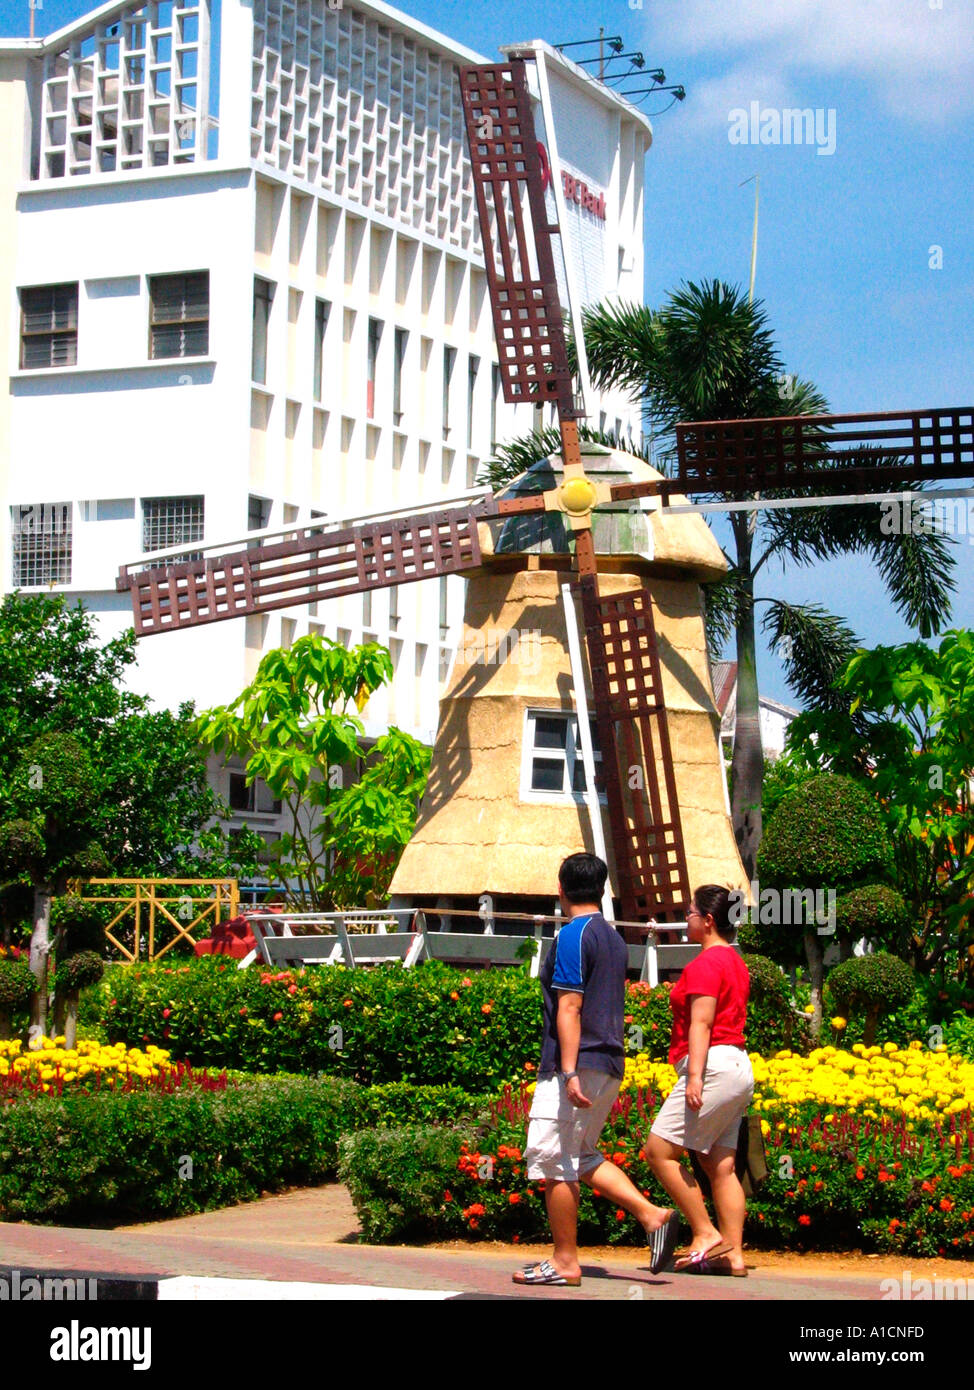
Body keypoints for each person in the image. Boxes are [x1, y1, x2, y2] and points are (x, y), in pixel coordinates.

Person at [513, 852, 681, 1286]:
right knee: (580, 1154)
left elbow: (569, 1005)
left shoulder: (572, 935)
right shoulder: (613, 939)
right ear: (604, 889)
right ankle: (652, 1215)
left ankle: (565, 1261)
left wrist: (567, 1072)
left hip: (576, 1064)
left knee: (554, 1162)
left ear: (561, 889)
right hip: (608, 1062)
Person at [642, 884, 753, 1277]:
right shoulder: (736, 962)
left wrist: (693, 1077)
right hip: (738, 1065)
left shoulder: (705, 964)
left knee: (658, 1151)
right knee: (718, 1164)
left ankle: (705, 1232)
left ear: (707, 921)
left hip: (713, 1066)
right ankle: (733, 1254)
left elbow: (702, 1022)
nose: (685, 918)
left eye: (690, 913)